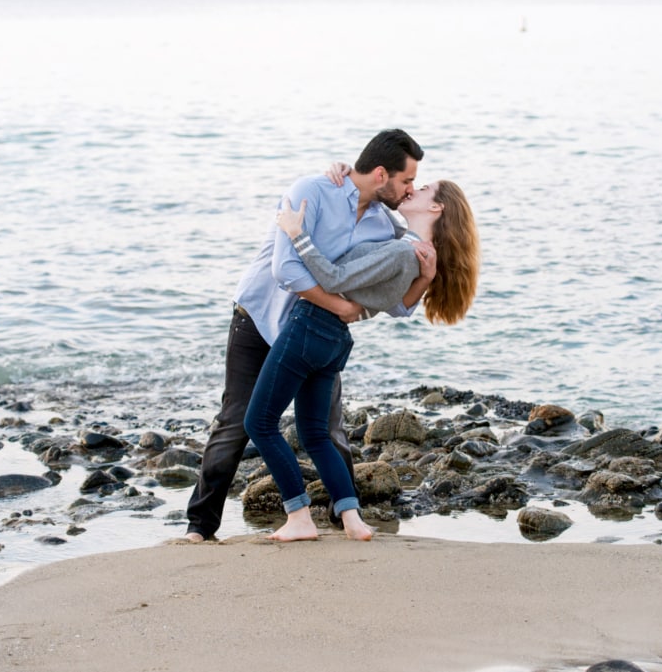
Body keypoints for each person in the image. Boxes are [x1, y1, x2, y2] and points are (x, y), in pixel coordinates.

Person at [182, 129, 429, 542]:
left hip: (310, 330)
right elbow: (287, 271)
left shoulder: (386, 229)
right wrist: (343, 308)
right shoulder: (310, 191)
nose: (409, 190)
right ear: (382, 174)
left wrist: (426, 276)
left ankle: (346, 517)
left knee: (326, 426)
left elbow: (393, 299)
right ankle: (199, 527)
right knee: (236, 422)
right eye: (406, 181)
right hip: (261, 316)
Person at [243, 180, 480, 541]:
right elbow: (389, 306)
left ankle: (299, 516)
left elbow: (334, 277)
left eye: (425, 187)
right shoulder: (415, 252)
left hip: (310, 326)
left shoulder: (403, 253)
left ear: (437, 208)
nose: (415, 188)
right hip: (334, 340)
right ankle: (352, 520)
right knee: (316, 435)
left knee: (259, 423)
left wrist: (296, 233)